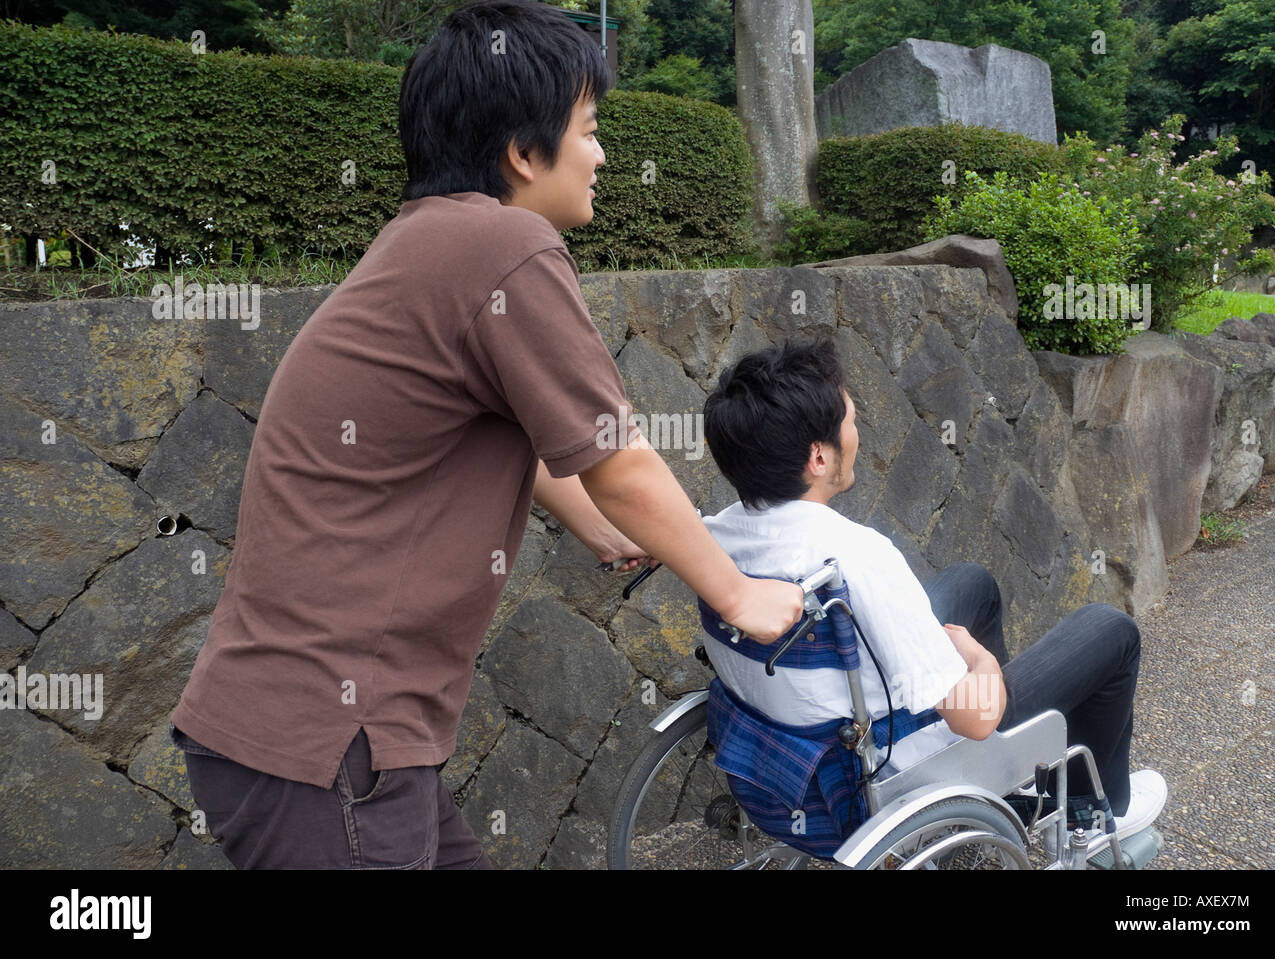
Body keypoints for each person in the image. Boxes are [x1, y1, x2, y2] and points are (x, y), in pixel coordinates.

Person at [168, 0, 803, 870]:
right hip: (332, 746)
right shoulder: (507, 245)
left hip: (327, 737)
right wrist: (737, 594)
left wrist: (584, 518)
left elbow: (493, 423)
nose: (603, 154)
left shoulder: (426, 243)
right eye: (589, 128)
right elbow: (620, 462)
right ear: (521, 151)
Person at [698, 335, 1167, 852]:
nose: (857, 433)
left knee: (974, 584)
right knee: (1111, 629)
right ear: (817, 456)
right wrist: (979, 661)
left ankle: (1016, 776)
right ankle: (1091, 816)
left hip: (788, 752)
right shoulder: (857, 556)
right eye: (850, 423)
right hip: (890, 766)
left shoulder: (709, 541)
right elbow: (975, 716)